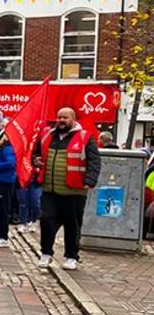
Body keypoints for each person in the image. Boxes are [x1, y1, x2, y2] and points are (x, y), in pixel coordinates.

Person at [34, 107, 101, 270]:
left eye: (65, 117)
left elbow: (94, 160)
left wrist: (90, 180)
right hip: (50, 189)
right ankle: (46, 253)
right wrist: (35, 159)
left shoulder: (85, 137)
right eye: (59, 117)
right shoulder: (47, 135)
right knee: (47, 221)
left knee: (72, 225)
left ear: (73, 119)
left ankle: (71, 256)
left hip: (74, 190)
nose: (61, 120)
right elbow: (36, 153)